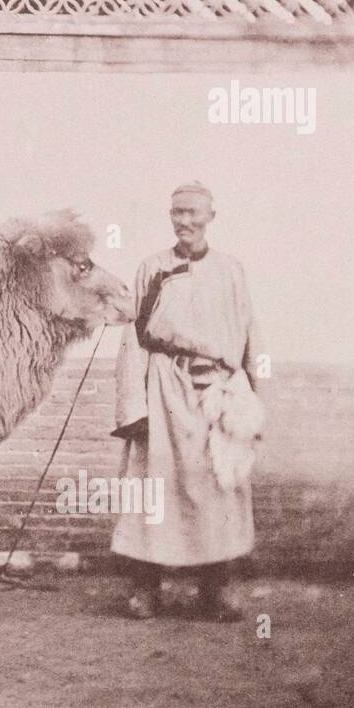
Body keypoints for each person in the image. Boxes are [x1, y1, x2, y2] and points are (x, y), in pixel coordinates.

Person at [111, 183, 262, 621]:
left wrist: (251, 401)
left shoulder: (231, 271)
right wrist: (131, 406)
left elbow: (250, 335)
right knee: (152, 486)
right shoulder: (151, 268)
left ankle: (214, 590)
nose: (185, 221)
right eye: (177, 212)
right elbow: (132, 341)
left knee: (218, 486)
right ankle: (146, 588)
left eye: (194, 212)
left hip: (215, 391)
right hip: (163, 388)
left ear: (211, 215)